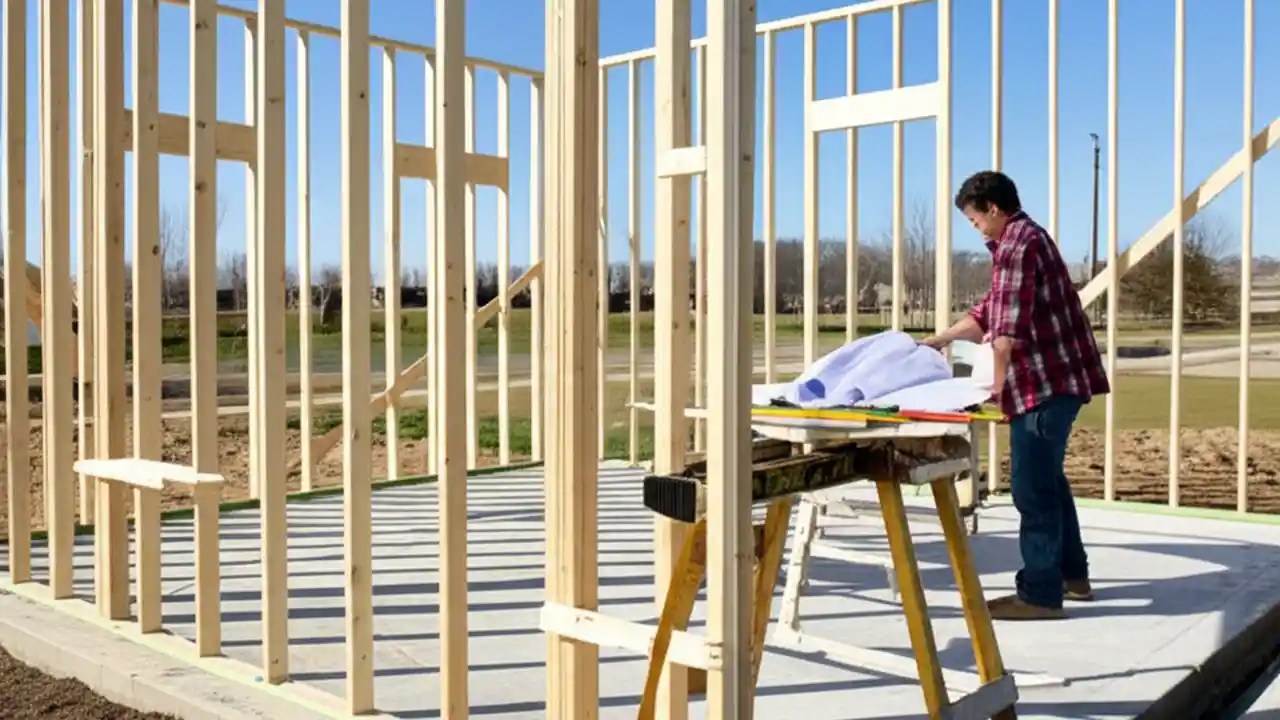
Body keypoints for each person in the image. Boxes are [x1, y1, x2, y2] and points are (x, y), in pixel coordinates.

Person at [922, 170, 1110, 621]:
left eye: (973, 219)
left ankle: (1040, 595)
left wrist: (993, 390)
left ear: (992, 209)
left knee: (1032, 489)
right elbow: (989, 312)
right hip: (1058, 383)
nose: (975, 228)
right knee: (1050, 482)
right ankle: (1072, 575)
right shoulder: (1026, 240)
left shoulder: (1017, 246)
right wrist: (941, 339)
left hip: (1044, 386)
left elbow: (1003, 335)